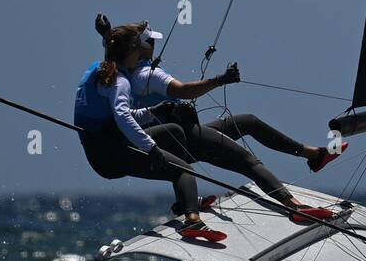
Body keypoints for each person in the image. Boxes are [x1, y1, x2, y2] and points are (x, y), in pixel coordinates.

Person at [75, 17, 345, 244]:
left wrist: (105, 34)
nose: (156, 45)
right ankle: (292, 205)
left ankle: (312, 154)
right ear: (138, 48)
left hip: (166, 135)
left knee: (247, 122)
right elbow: (180, 91)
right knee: (243, 160)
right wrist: (220, 80)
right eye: (151, 42)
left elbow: (114, 59)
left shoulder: (110, 68)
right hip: (178, 138)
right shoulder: (142, 75)